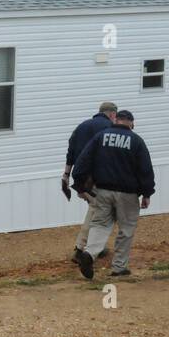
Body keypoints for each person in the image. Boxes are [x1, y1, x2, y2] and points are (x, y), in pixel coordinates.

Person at [70, 109, 155, 280]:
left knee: (100, 225)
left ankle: (89, 254)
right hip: (128, 194)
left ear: (116, 119)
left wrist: (79, 184)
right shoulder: (137, 141)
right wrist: (147, 193)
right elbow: (145, 170)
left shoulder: (101, 137)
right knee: (126, 229)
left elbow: (83, 161)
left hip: (102, 191)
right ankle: (119, 268)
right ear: (131, 122)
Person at [61, 101, 117, 264]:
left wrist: (66, 175)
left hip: (80, 179)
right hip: (96, 178)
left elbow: (70, 152)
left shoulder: (81, 126)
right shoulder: (108, 128)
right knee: (99, 209)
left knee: (97, 209)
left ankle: (93, 248)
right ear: (113, 114)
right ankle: (82, 249)